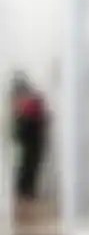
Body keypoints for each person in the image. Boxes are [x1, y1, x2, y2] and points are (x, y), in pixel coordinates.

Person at [9, 73, 50, 217]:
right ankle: (25, 193)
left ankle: (26, 193)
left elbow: (41, 119)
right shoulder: (28, 100)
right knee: (28, 165)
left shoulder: (29, 100)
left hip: (30, 136)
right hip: (30, 136)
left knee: (28, 165)